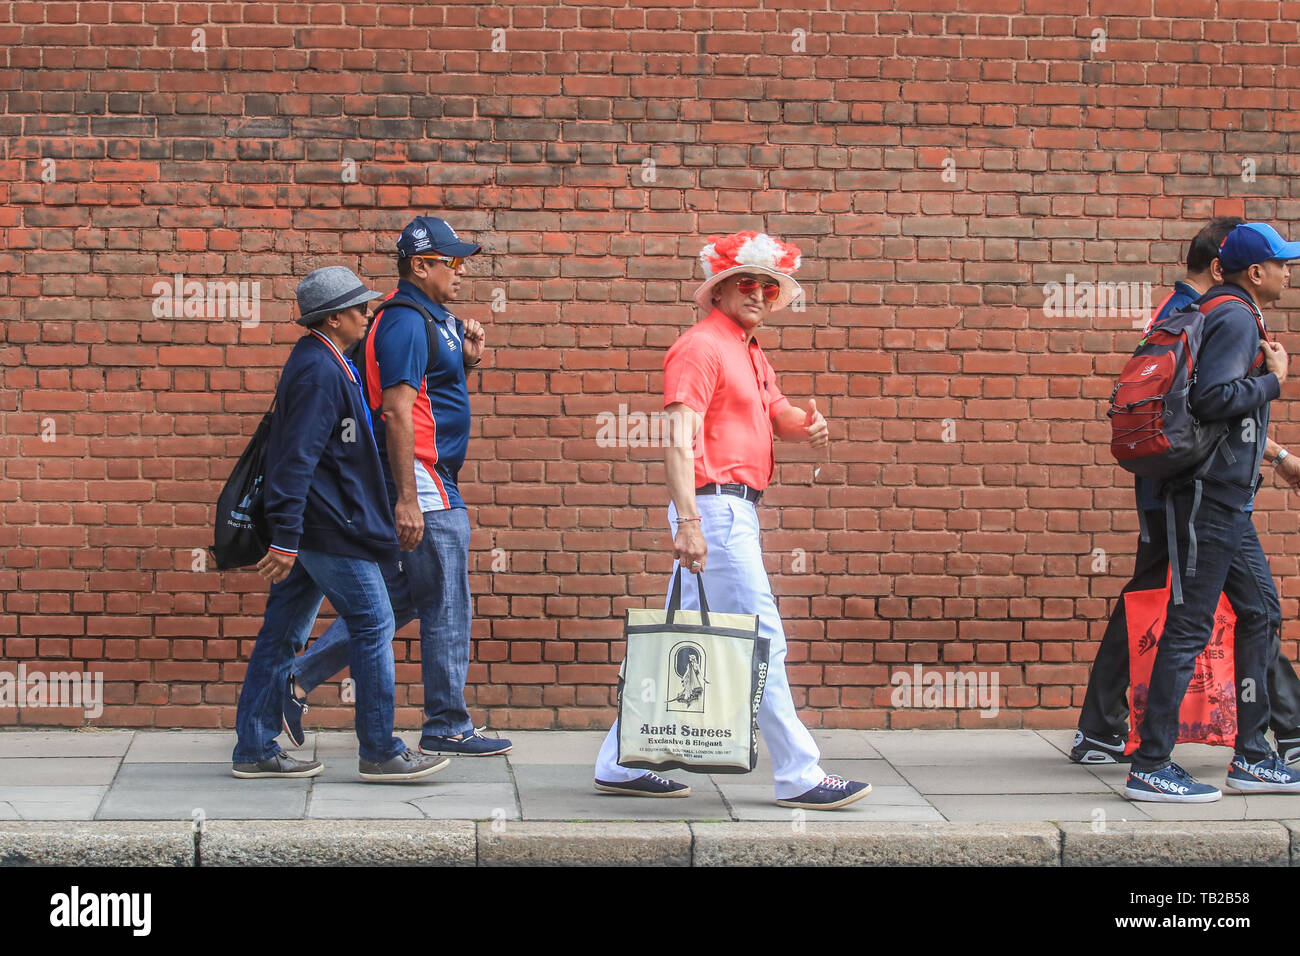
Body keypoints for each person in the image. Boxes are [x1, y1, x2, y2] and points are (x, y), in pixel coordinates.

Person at [591, 231, 871, 810]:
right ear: (719, 290)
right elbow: (676, 440)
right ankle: (799, 773)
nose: (762, 294)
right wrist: (688, 522)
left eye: (770, 286)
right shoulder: (700, 346)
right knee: (762, 639)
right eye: (749, 282)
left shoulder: (748, 348)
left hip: (728, 510)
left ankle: (618, 762)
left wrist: (806, 425)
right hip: (714, 510)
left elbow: (776, 414)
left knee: (677, 638)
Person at [1073, 218, 1300, 766]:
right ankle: (1146, 755)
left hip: (1193, 486)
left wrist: (1277, 457)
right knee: (1187, 615)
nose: (1287, 274)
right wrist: (1275, 382)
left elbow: (1207, 411)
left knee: (1252, 608)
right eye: (1280, 265)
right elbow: (1207, 405)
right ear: (1231, 267)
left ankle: (1262, 743)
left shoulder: (1192, 313)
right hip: (1193, 490)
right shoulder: (1217, 314)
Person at [283, 219, 512, 758]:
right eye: (451, 262)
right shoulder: (406, 320)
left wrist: (467, 361)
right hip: (425, 476)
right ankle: (447, 724)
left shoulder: (433, 318)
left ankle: (294, 678)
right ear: (419, 265)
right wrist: (408, 497)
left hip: (432, 474)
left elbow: (430, 390)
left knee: (409, 594)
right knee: (447, 599)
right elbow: (397, 409)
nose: (461, 271)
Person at [231, 266, 448, 782]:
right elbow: (293, 459)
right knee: (373, 623)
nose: (366, 314)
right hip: (327, 529)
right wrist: (285, 536)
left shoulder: (332, 361)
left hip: (322, 527)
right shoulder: (317, 370)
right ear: (332, 319)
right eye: (357, 308)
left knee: (282, 632)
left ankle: (254, 748)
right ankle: (379, 750)